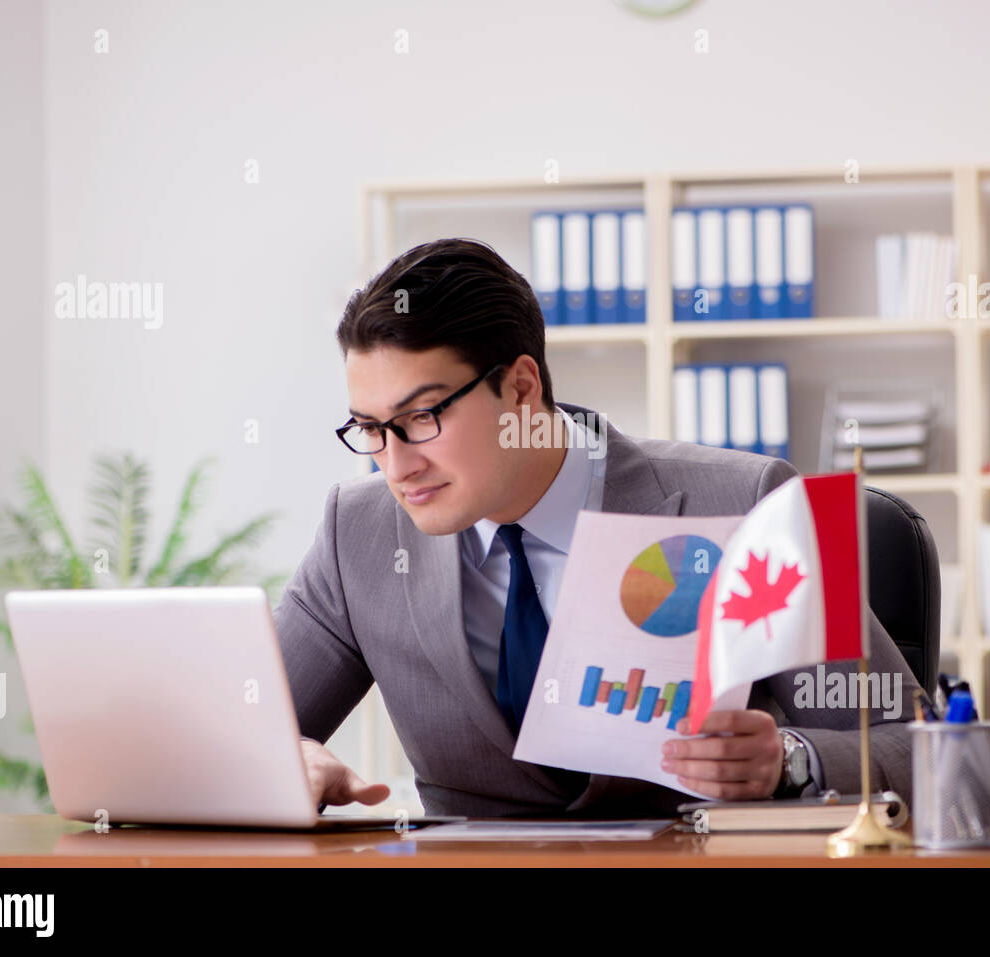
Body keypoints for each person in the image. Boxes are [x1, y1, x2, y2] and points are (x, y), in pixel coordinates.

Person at [275, 238, 918, 818]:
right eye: (370, 428)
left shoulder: (751, 501)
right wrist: (285, 759)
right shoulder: (355, 534)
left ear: (521, 388)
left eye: (420, 419)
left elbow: (917, 745)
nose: (396, 462)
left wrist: (788, 760)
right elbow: (241, 733)